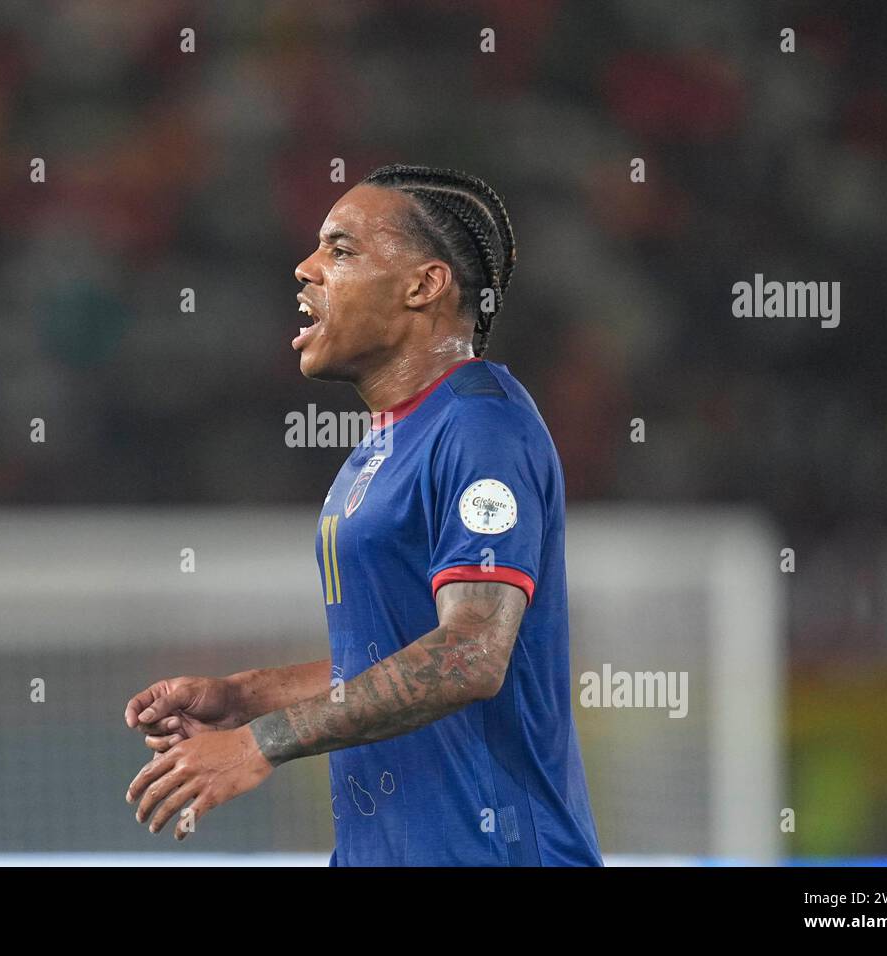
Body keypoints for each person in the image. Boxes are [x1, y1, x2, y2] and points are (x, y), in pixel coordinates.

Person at [125, 164, 602, 866]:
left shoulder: (480, 428)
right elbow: (394, 656)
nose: (306, 268)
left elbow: (470, 654)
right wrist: (245, 697)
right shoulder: (386, 446)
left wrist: (262, 744)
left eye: (340, 250)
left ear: (424, 284)